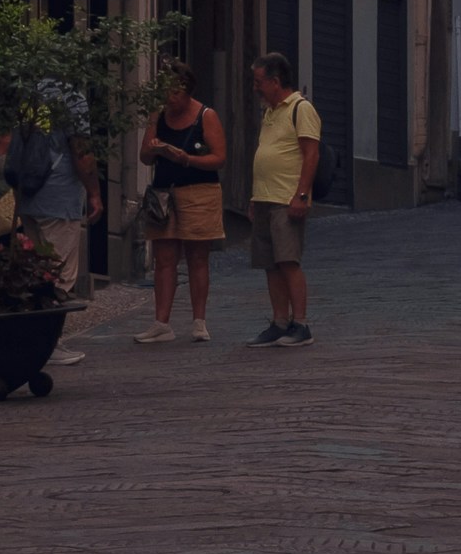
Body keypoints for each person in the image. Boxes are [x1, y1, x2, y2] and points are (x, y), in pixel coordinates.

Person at [138, 55, 227, 338]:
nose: (170, 98)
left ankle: (199, 321)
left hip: (199, 191)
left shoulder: (206, 116)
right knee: (164, 258)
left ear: (187, 91)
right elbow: (144, 157)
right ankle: (161, 323)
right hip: (165, 193)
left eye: (175, 92)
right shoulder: (159, 115)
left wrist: (186, 158)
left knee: (197, 257)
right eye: (166, 92)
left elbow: (219, 158)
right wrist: (157, 146)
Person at [244, 47, 323, 340]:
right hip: (265, 197)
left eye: (259, 81)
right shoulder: (270, 112)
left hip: (286, 198)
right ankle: (279, 322)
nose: (256, 87)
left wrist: (301, 195)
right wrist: (254, 198)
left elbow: (311, 154)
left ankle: (300, 323)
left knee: (288, 261)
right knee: (269, 263)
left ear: (275, 81)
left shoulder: (301, 109)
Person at [0, 80, 92, 298]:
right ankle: (53, 325)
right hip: (60, 198)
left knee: (34, 271)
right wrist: (95, 194)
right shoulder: (71, 96)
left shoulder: (26, 90)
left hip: (28, 195)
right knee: (58, 277)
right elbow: (82, 152)